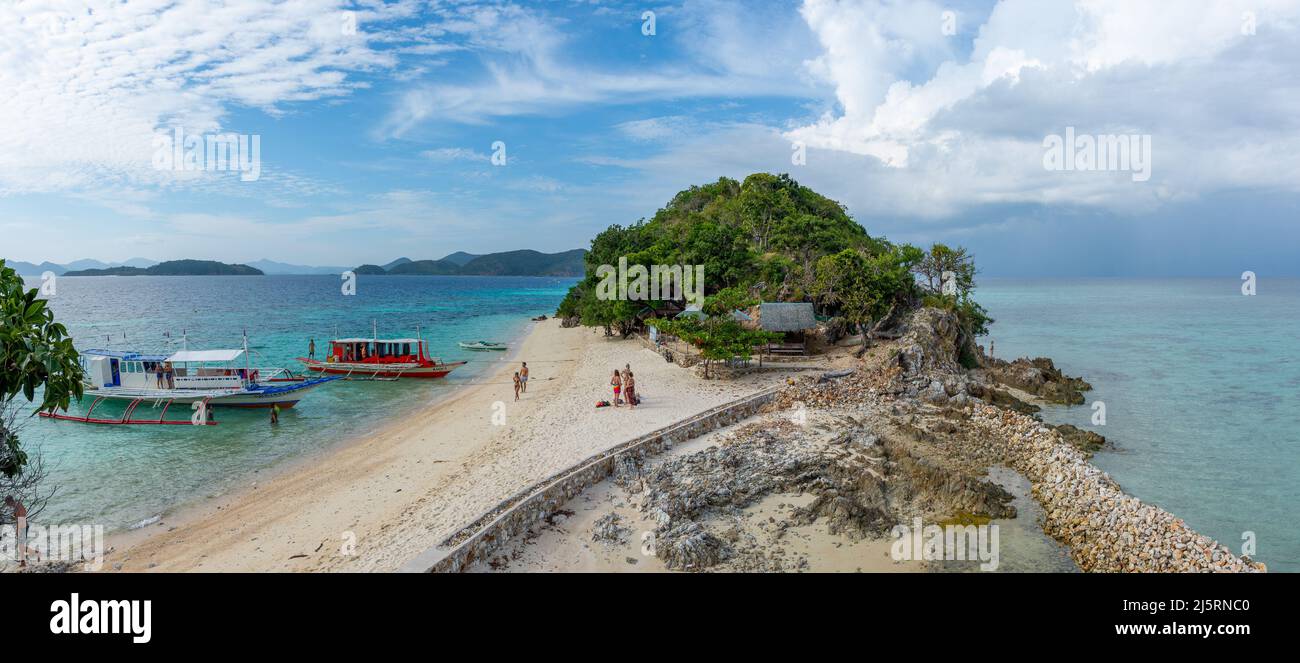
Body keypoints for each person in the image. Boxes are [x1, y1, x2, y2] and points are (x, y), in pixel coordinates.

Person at [5, 495, 34, 567]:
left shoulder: (19, 505)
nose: (8, 505)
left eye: (7, 503)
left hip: (24, 526)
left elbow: (22, 516)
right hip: (22, 526)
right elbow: (19, 519)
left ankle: (25, 561)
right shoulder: (16, 506)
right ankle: (25, 560)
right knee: (21, 545)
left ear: (10, 501)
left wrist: (15, 516)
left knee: (21, 546)